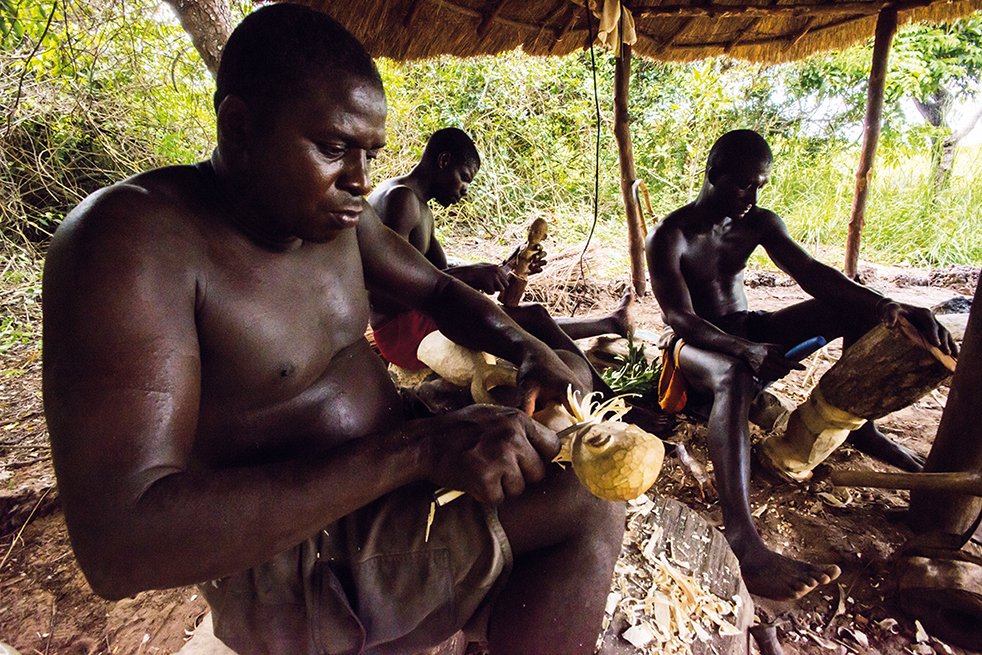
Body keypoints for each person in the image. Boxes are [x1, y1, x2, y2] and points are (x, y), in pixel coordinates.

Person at [42, 5, 625, 655]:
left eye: (370, 153)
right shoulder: (132, 242)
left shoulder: (333, 216)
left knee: (554, 437)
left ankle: (486, 616)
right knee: (586, 500)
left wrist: (527, 348)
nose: (360, 181)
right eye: (333, 147)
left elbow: (435, 288)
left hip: (389, 446)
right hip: (299, 560)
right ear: (239, 124)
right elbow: (121, 547)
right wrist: (421, 450)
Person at [645, 129, 958, 601]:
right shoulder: (671, 235)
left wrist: (885, 305)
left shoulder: (759, 223)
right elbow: (679, 317)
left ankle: (860, 422)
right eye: (743, 185)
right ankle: (742, 540)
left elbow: (813, 274)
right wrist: (742, 350)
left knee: (850, 308)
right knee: (733, 374)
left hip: (748, 328)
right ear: (714, 173)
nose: (752, 197)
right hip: (695, 349)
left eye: (760, 186)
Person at [368, 127, 634, 381]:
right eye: (464, 178)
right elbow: (387, 289)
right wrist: (471, 275)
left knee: (523, 316)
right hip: (401, 332)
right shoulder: (401, 200)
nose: (465, 191)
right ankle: (609, 397)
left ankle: (611, 323)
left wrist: (508, 266)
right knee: (532, 318)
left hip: (418, 316)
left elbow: (437, 273)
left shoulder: (419, 206)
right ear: (444, 160)